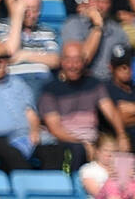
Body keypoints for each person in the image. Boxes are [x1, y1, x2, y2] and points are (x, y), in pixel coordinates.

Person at [37, 41, 129, 172]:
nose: (73, 65)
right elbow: (55, 129)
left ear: (84, 62)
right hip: (63, 142)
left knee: (127, 147)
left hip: (93, 139)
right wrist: (82, 143)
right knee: (76, 150)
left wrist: (122, 135)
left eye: (77, 61)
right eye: (68, 60)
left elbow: (111, 112)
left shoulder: (94, 84)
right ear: (62, 61)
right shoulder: (50, 90)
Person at [0, 53, 41, 172]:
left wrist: (34, 132)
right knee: (13, 154)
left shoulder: (19, 84)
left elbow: (30, 111)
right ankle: (27, 186)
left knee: (51, 150)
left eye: (1, 60)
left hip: (23, 136)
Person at [61, 0, 130, 83]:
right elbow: (82, 61)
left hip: (109, 84)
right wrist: (97, 27)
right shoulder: (73, 24)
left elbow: (124, 67)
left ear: (110, 4)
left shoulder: (118, 31)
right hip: (82, 83)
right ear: (85, 1)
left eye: (103, 1)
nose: (98, 5)